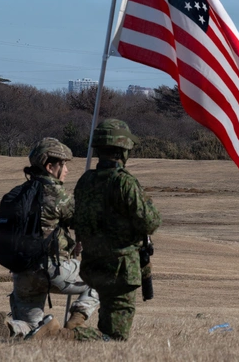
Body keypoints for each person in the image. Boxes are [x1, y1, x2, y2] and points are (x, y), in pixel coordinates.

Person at [0, 137, 101, 341]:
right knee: (105, 276)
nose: (66, 170)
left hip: (22, 272)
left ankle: (10, 328)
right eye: (63, 164)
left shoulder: (18, 194)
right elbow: (86, 222)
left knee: (33, 326)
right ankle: (76, 323)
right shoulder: (57, 195)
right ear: (50, 167)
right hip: (51, 270)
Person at [73, 119, 161, 341]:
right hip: (121, 267)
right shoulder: (125, 183)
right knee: (115, 337)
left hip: (93, 263)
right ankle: (61, 335)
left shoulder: (86, 181)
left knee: (107, 317)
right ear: (124, 150)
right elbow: (150, 222)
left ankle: (57, 332)